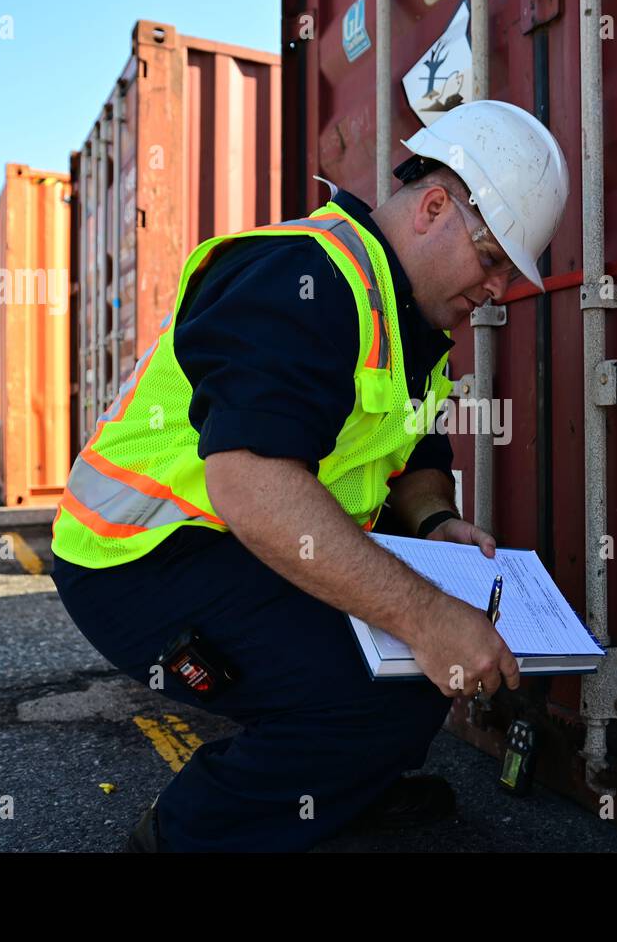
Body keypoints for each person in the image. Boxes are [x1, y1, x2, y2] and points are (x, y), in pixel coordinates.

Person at [49, 99, 569, 851]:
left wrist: (432, 521)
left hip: (235, 538)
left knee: (419, 667)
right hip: (141, 557)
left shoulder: (412, 319)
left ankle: (327, 792)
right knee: (372, 691)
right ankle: (187, 836)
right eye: (492, 262)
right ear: (433, 208)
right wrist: (425, 617)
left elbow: (416, 453)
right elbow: (250, 481)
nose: (497, 292)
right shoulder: (306, 278)